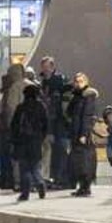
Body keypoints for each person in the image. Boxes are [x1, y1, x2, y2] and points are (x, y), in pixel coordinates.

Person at [10, 83, 48, 202]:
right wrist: (41, 137)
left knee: (24, 168)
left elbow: (14, 125)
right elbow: (46, 125)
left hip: (22, 141)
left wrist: (14, 140)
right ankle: (40, 182)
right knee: (35, 166)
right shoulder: (41, 107)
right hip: (35, 141)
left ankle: (25, 193)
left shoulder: (21, 107)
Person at [39, 56, 71, 190]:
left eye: (46, 67)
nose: (44, 70)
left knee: (61, 151)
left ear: (51, 66)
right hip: (50, 123)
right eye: (43, 67)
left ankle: (62, 179)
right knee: (53, 152)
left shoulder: (59, 81)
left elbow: (57, 105)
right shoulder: (44, 82)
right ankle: (55, 178)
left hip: (60, 124)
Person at [66, 72, 100, 197]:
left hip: (83, 133)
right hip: (75, 132)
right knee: (77, 161)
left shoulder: (88, 96)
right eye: (76, 81)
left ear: (86, 82)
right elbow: (69, 112)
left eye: (81, 81)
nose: (78, 83)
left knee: (84, 161)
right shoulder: (76, 96)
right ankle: (82, 186)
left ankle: (86, 187)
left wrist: (84, 134)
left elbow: (87, 116)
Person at [0, 63, 27, 190]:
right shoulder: (30, 85)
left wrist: (9, 124)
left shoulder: (14, 87)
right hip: (26, 126)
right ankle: (19, 180)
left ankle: (12, 180)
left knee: (10, 155)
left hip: (12, 127)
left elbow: (10, 108)